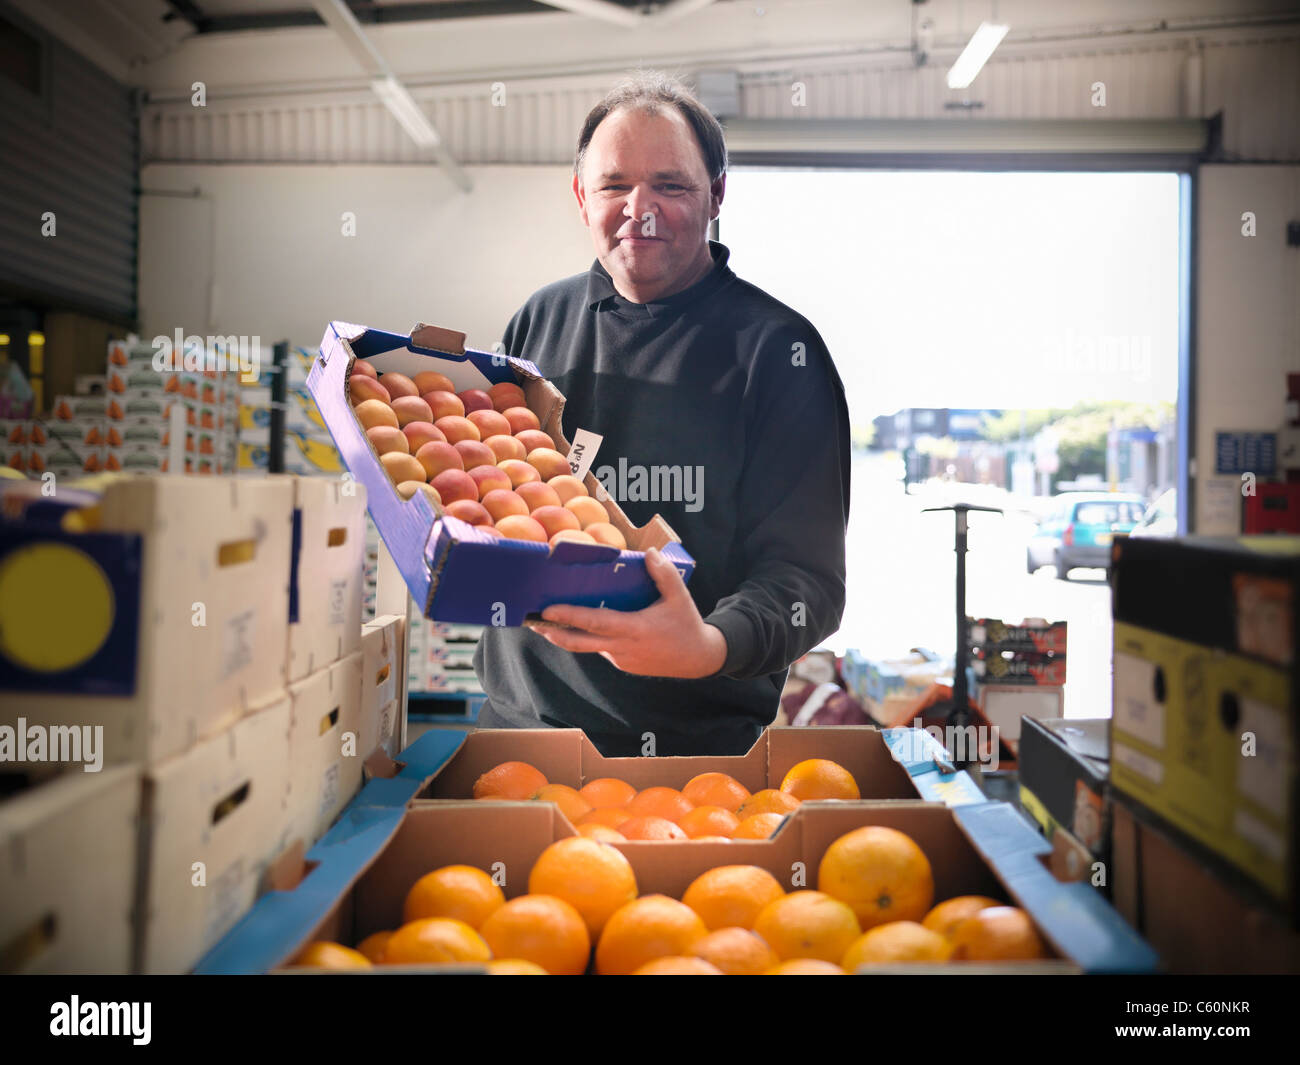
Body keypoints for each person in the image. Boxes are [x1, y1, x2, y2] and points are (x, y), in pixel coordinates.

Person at [472, 71, 851, 757]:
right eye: (615, 185)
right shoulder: (539, 320)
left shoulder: (777, 352)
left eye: (670, 186)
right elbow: (502, 497)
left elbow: (807, 581)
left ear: (717, 196)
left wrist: (707, 645)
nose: (639, 210)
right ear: (582, 196)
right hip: (516, 736)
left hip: (691, 763)